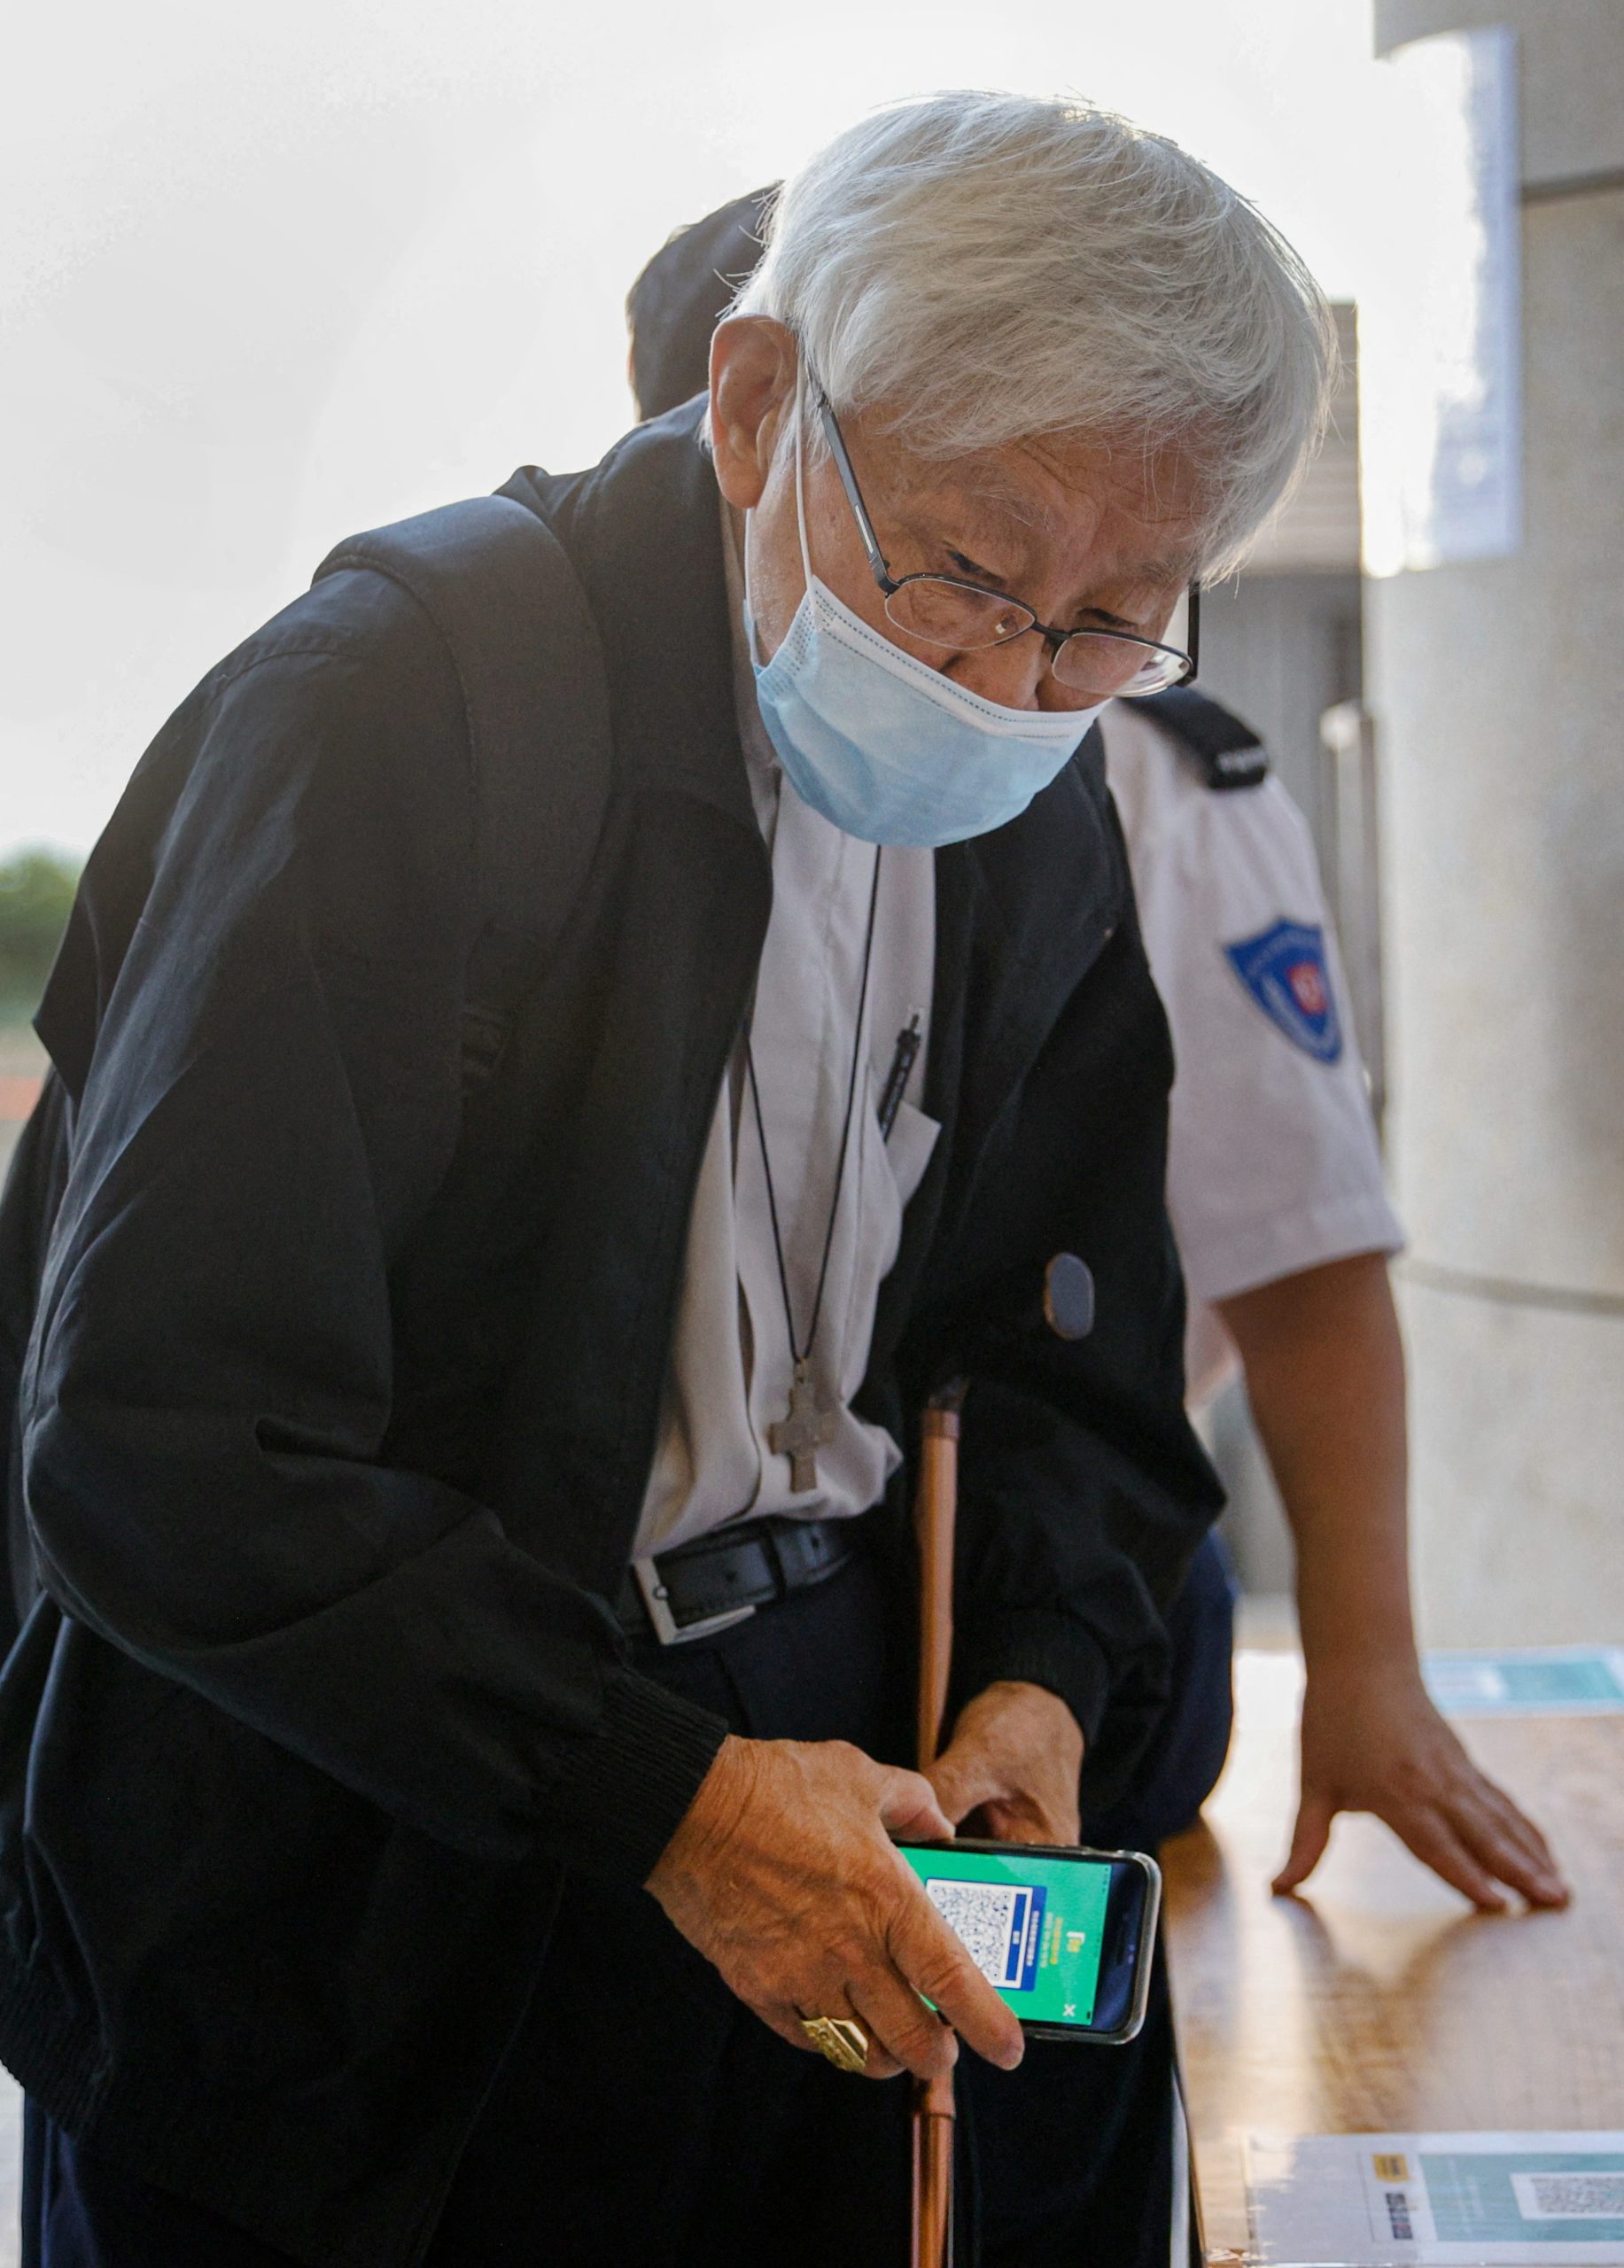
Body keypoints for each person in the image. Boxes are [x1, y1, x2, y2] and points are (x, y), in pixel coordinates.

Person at [0, 94, 1336, 2268]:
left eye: (1114, 618)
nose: (1012, 683)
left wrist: (1035, 1673)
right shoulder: (392, 714)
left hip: (823, 1796)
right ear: (753, 402)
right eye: (970, 572)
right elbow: (168, 1443)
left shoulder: (1041, 791)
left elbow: (1067, 1348)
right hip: (369, 1858)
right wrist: (671, 1804)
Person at [629, 184, 1567, 1922]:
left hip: (1050, 1562)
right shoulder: (630, 749)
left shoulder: (1134, 771)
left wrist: (1361, 1662)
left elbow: (1300, 1241)